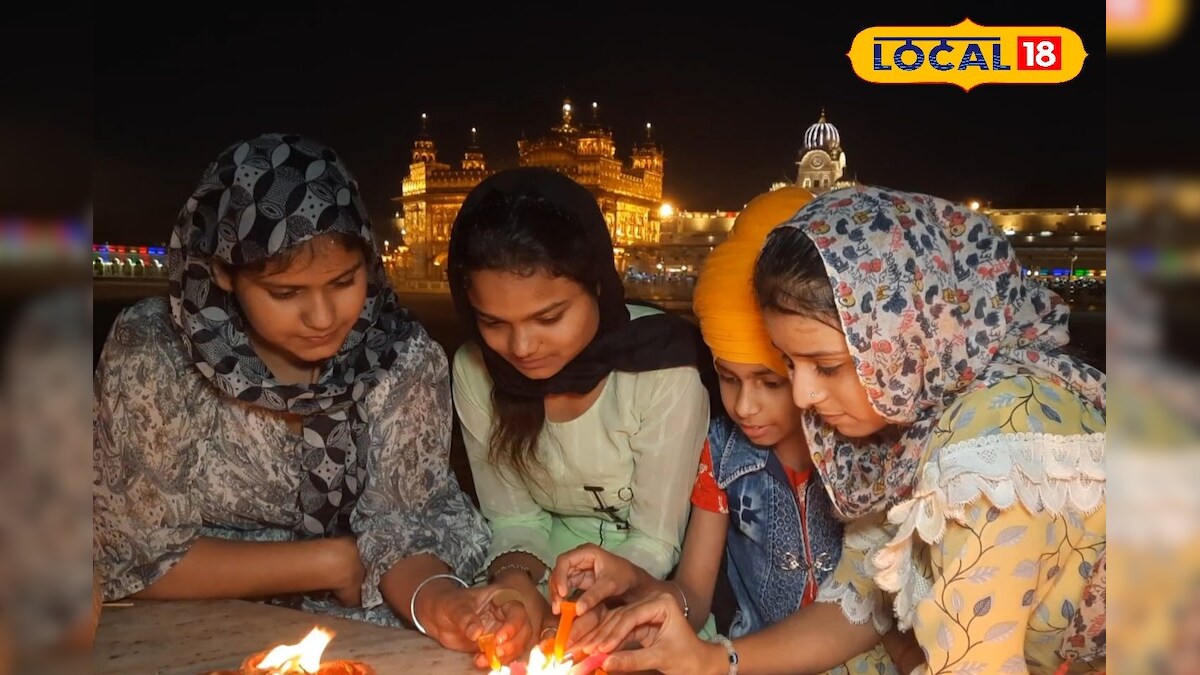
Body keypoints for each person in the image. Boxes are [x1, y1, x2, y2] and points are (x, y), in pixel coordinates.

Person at [570, 185, 1106, 675]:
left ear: (903, 339)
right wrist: (714, 660)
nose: (803, 395)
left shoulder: (991, 453)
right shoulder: (904, 423)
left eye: (825, 366)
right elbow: (857, 601)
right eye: (790, 364)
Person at [93, 133, 502, 651]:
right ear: (223, 272)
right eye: (285, 293)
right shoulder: (158, 352)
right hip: (196, 622)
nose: (323, 318)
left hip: (371, 617)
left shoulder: (398, 356)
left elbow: (403, 533)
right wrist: (334, 561)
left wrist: (443, 605)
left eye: (344, 282)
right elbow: (133, 556)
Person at [551, 187, 911, 674]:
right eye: (728, 377)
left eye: (770, 382)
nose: (744, 406)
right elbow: (693, 599)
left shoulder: (873, 453)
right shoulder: (722, 451)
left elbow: (873, 610)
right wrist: (632, 584)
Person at [444, 167, 710, 665]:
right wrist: (516, 588)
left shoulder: (660, 367)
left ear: (599, 287)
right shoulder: (476, 370)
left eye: (549, 317)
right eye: (493, 323)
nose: (521, 347)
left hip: (643, 591)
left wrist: (592, 609)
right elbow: (513, 519)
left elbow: (655, 540)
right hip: (538, 582)